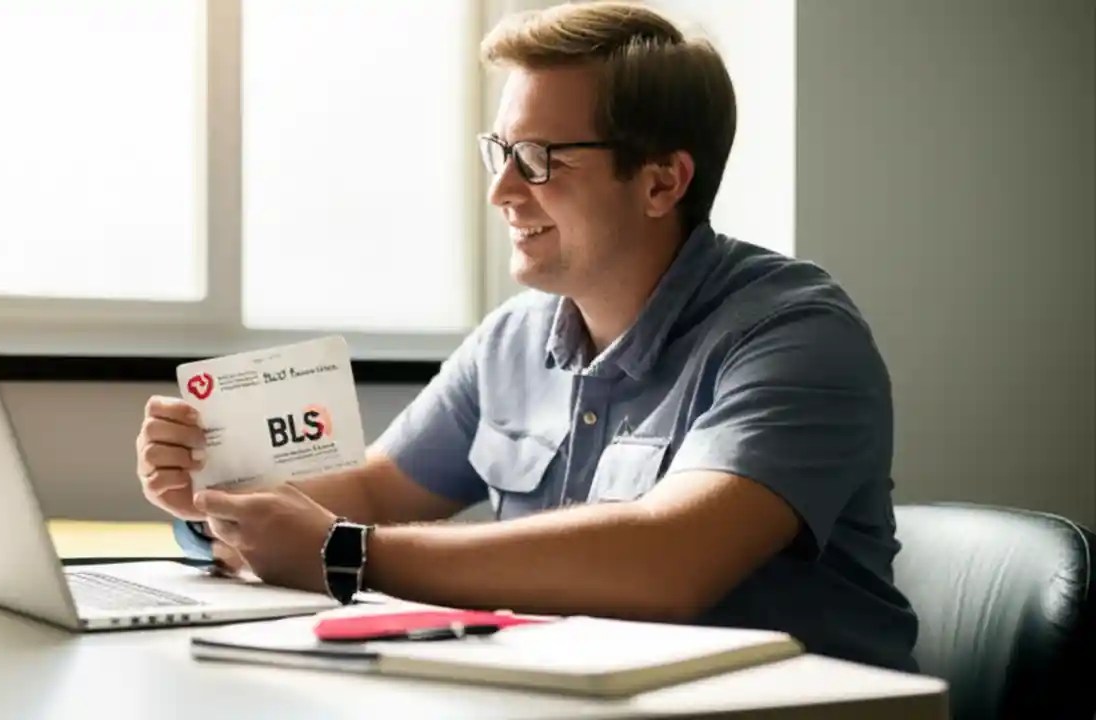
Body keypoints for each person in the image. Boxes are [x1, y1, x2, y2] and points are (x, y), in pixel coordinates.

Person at [134, 1, 918, 672]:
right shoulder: (514, 337)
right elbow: (376, 488)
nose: (502, 190)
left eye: (538, 159)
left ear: (661, 182)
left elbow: (668, 557)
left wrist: (347, 553)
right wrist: (215, 496)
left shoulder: (798, 336)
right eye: (501, 152)